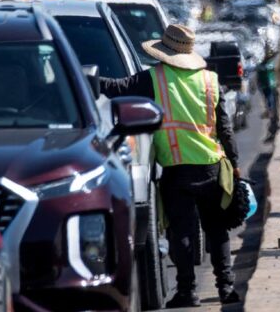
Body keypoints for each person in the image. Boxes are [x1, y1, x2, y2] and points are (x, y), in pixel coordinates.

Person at [99, 24, 240, 308]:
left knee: (182, 231)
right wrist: (234, 165)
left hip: (177, 169)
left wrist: (81, 77)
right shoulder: (210, 80)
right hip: (212, 166)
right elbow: (224, 128)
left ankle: (187, 292)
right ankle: (226, 288)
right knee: (217, 229)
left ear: (164, 52)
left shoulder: (154, 78)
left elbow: (116, 89)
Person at [256, 47, 278, 141]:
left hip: (269, 86)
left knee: (270, 101)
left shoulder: (267, 66)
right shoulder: (267, 65)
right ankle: (270, 112)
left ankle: (271, 113)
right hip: (267, 86)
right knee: (269, 101)